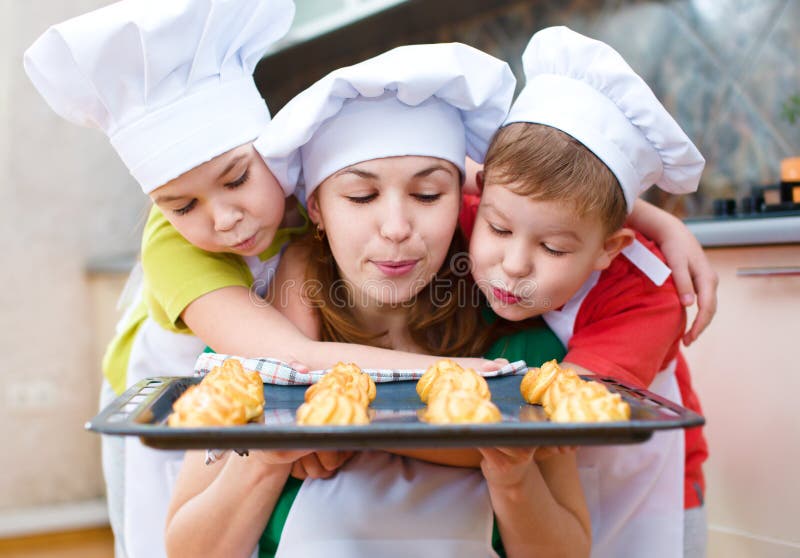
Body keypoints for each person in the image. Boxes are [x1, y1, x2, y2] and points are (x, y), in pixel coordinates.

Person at [22, 3, 505, 557]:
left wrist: (621, 209)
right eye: (182, 205)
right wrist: (452, 374)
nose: (223, 218)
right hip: (177, 388)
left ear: (277, 149)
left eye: (237, 178)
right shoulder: (175, 248)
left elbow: (455, 170)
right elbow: (287, 357)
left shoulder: (313, 178)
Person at [167, 42, 591, 558]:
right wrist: (266, 457)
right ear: (316, 207)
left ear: (464, 199)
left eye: (428, 195)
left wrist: (513, 477)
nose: (395, 229)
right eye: (361, 197)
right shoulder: (264, 351)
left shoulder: (519, 347)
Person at [463, 26, 709, 557]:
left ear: (609, 248)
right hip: (545, 486)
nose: (512, 264)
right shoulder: (482, 210)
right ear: (480, 196)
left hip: (647, 489)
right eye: (498, 230)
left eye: (553, 248)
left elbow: (553, 416)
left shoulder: (648, 294)